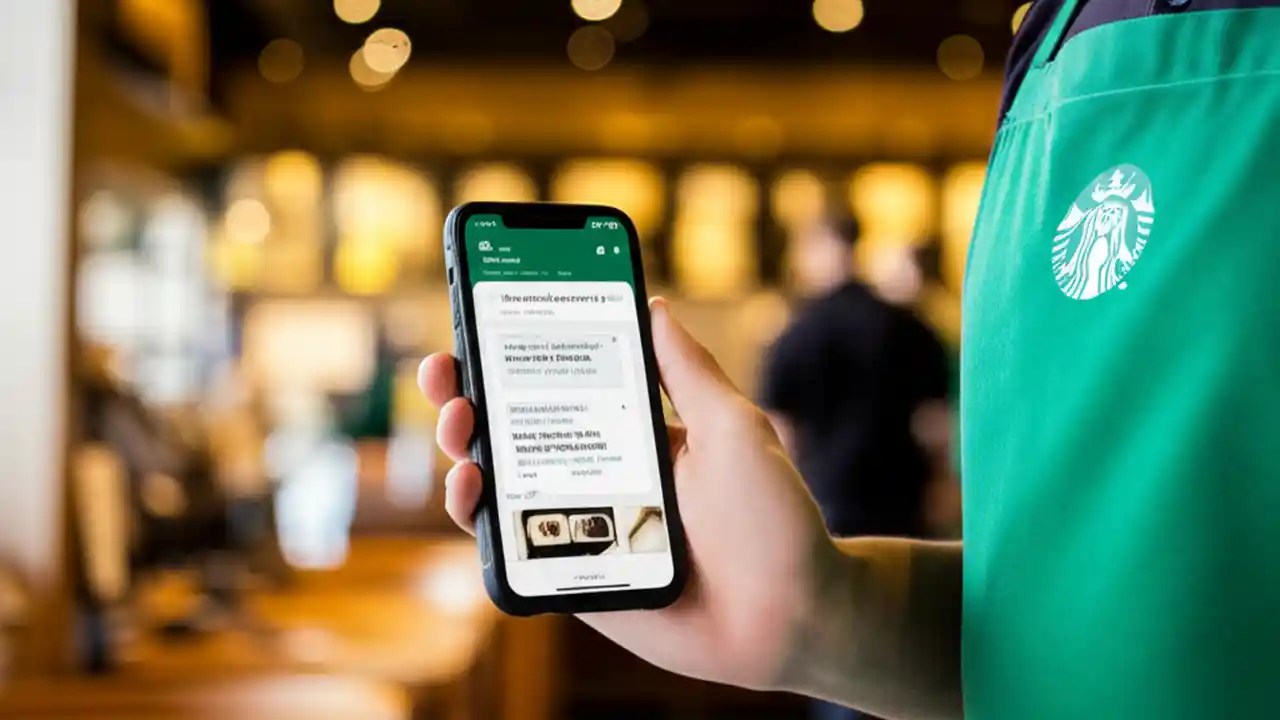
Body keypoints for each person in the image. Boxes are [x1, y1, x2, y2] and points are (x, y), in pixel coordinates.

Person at [420, 1, 1280, 717]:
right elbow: (1072, 582)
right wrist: (822, 614)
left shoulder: (797, 333)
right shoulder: (1043, 54)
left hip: (837, 496)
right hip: (889, 509)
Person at [762, 213, 951, 542]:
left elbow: (781, 434)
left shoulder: (797, 333)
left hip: (827, 505)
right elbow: (934, 424)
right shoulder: (909, 326)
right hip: (902, 505)